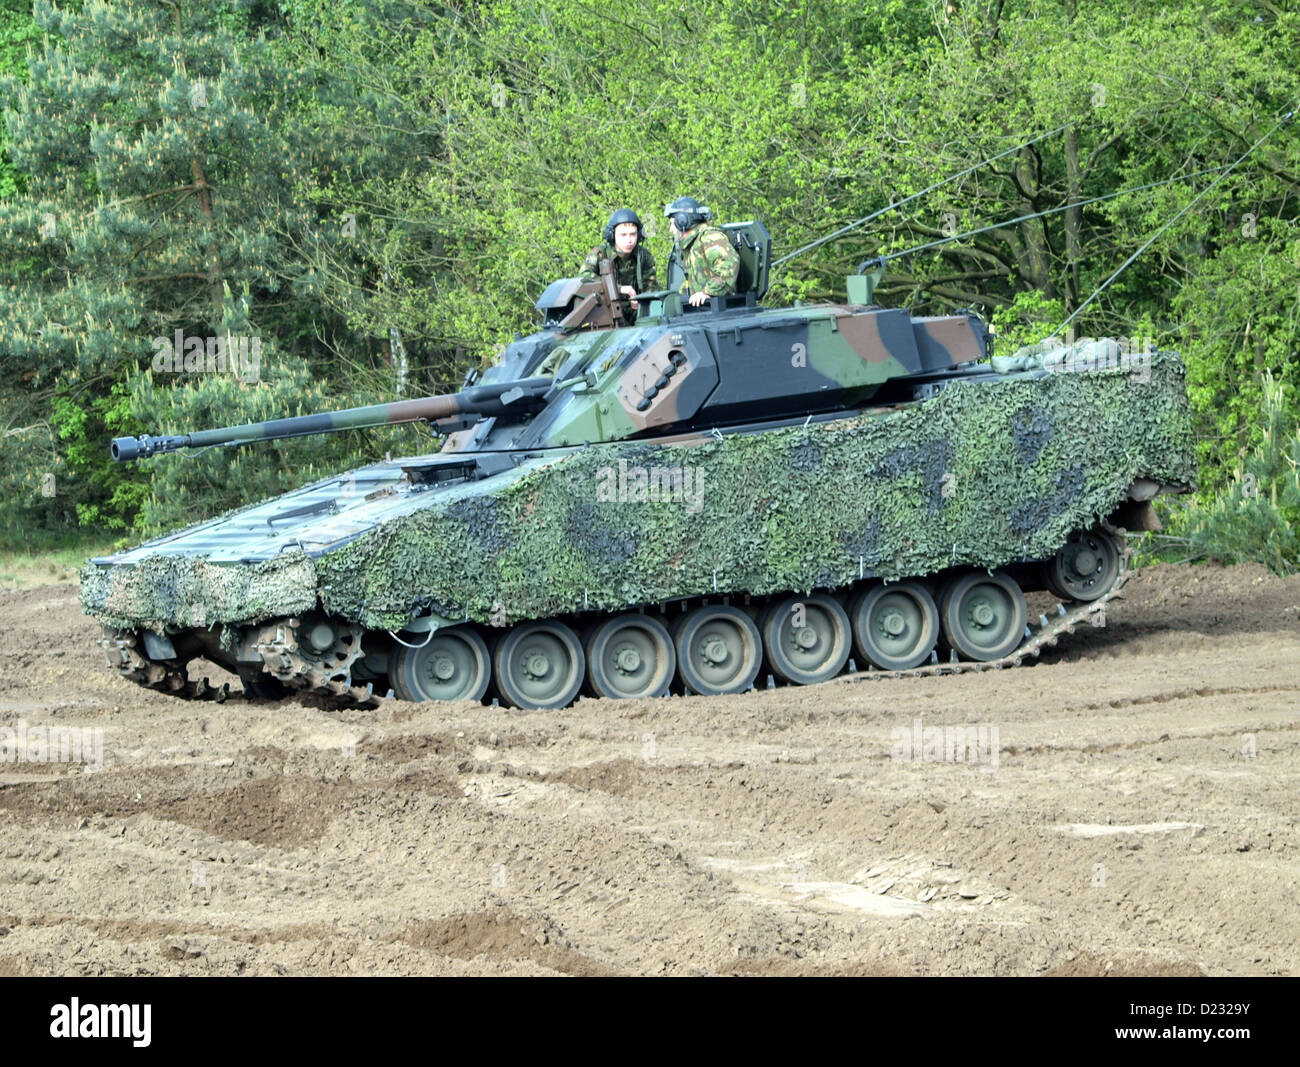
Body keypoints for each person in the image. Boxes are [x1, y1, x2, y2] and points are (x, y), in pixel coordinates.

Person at [579, 209, 658, 321]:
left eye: (633, 234)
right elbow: (584, 277)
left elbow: (652, 287)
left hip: (637, 314)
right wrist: (618, 289)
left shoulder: (644, 256)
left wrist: (642, 301)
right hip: (606, 312)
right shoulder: (600, 255)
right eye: (623, 235)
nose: (629, 240)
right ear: (612, 235)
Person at [665, 196, 739, 306]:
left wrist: (707, 292)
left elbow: (729, 266)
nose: (670, 230)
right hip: (704, 309)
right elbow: (691, 283)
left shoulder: (709, 237)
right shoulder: (691, 245)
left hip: (721, 308)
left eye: (672, 223)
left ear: (683, 221)